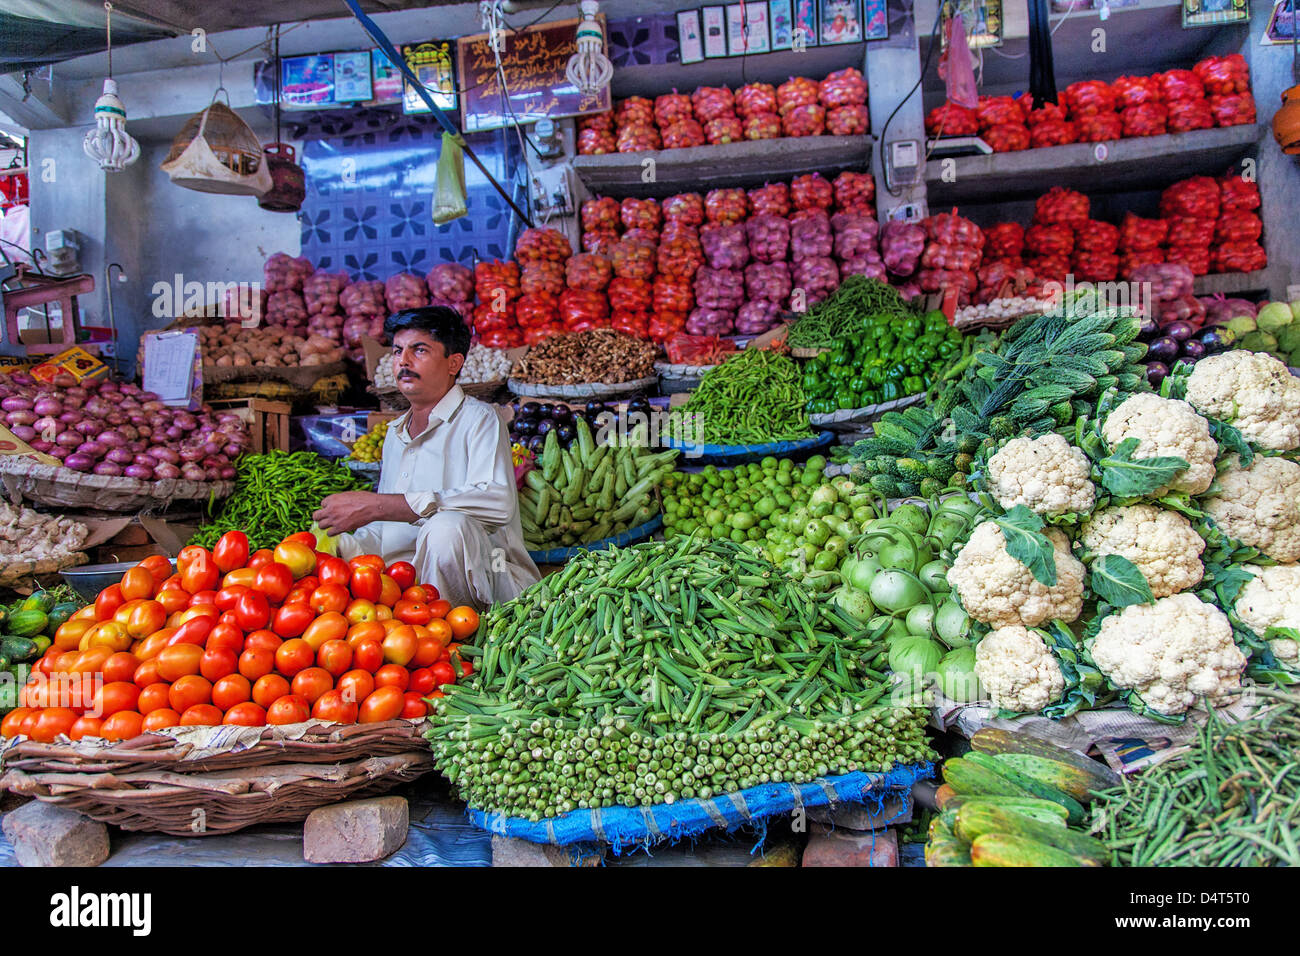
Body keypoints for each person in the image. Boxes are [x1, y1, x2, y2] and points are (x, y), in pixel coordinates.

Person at [313, 306, 540, 609]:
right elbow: (388, 531)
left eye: (419, 350)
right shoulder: (395, 434)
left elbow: (497, 502)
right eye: (397, 351)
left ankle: (456, 637)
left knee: (446, 528)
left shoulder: (481, 419)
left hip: (490, 589)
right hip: (412, 596)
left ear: (453, 363)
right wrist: (335, 544)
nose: (403, 361)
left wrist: (379, 505)